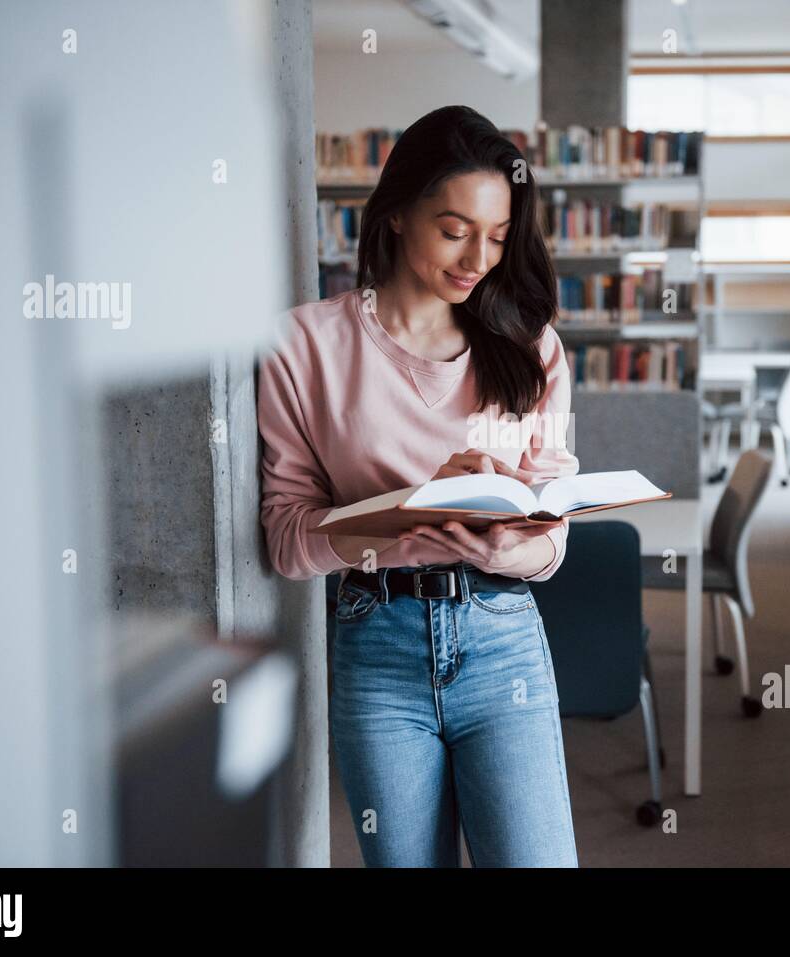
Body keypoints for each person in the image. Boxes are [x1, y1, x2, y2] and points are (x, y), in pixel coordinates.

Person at [257, 105, 580, 867]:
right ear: (397, 213)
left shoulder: (531, 348)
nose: (479, 258)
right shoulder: (302, 345)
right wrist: (402, 518)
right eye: (455, 228)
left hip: (503, 639)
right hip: (377, 647)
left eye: (499, 236)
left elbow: (552, 544)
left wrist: (509, 544)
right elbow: (286, 542)